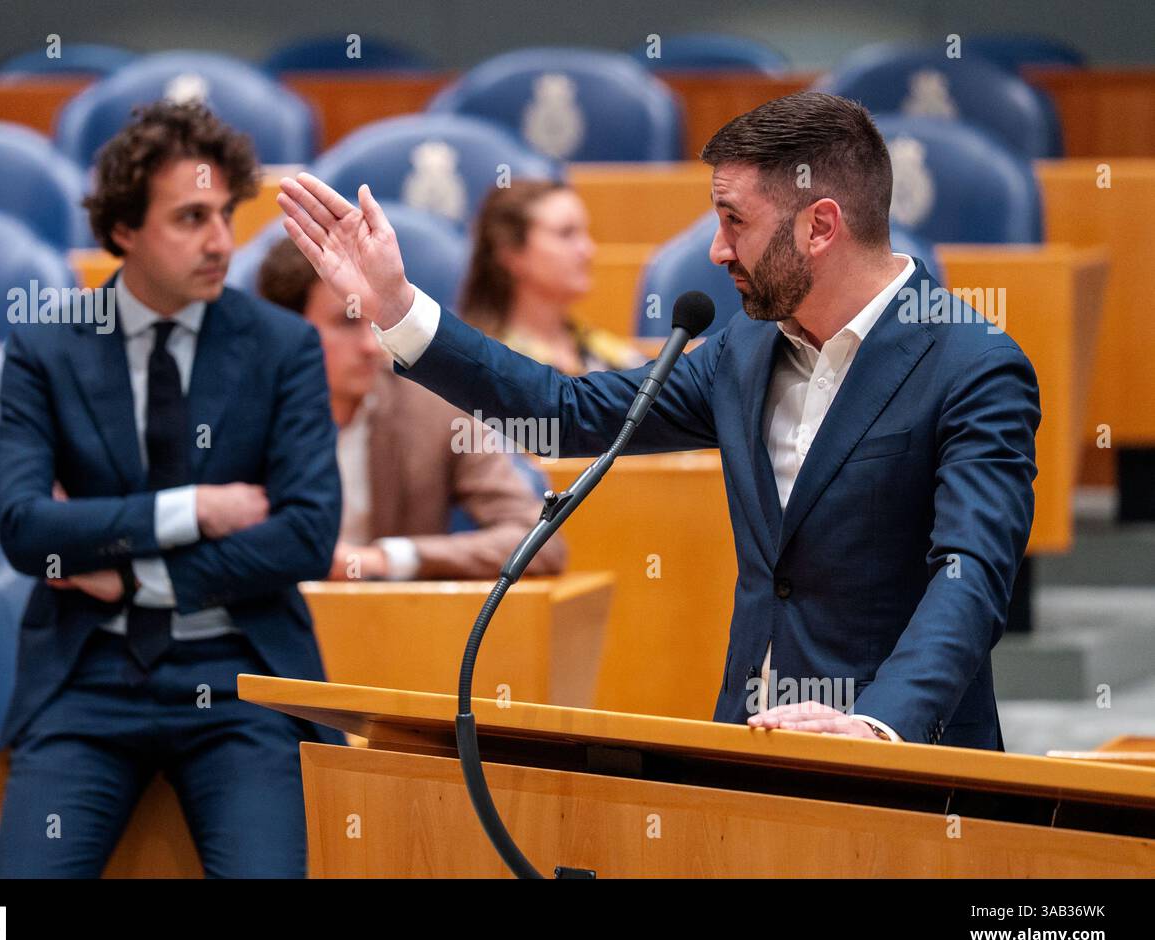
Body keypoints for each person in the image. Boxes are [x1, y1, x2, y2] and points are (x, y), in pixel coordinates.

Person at [278, 92, 1041, 751]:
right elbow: (567, 412)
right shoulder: (742, 349)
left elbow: (969, 576)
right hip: (749, 746)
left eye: (734, 221)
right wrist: (398, 310)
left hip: (912, 761)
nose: (715, 250)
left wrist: (879, 724)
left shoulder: (972, 365)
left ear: (820, 225)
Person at [0, 101, 343, 877]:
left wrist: (135, 571)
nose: (221, 241)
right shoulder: (46, 348)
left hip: (239, 678)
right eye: (191, 218)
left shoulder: (282, 346)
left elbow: (307, 532)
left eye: (224, 214)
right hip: (88, 682)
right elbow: (23, 528)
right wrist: (193, 510)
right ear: (123, 230)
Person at [256, 237, 565, 579]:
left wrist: (390, 560)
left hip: (394, 624)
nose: (371, 346)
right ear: (287, 329)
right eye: (346, 322)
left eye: (375, 323)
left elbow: (541, 542)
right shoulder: (237, 412)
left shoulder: (436, 407)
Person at [459, 179, 646, 375]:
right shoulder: (484, 365)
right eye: (566, 234)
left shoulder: (617, 359)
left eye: (585, 233)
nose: (588, 250)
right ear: (511, 253)